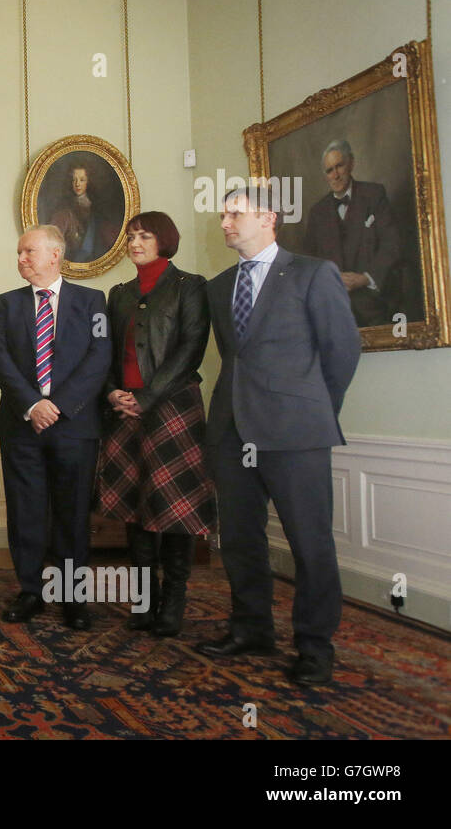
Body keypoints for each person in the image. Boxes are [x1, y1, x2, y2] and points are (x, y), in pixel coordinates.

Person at [198, 185, 361, 686]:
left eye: (235, 213)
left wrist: (311, 411)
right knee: (241, 540)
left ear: (269, 217)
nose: (225, 222)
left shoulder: (313, 273)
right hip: (232, 432)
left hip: (296, 434)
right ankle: (252, 629)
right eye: (222, 214)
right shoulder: (219, 286)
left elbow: (342, 352)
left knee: (310, 545)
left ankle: (315, 645)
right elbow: (236, 358)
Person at [97, 212, 215, 637]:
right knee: (136, 509)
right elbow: (106, 353)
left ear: (164, 239)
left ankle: (174, 599)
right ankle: (144, 601)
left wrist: (146, 397)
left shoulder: (190, 286)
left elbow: (190, 351)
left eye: (144, 235)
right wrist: (113, 392)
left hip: (172, 409)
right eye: (131, 236)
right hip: (125, 411)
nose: (135, 242)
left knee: (174, 509)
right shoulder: (119, 294)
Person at [0, 225, 110, 630]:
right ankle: (30, 592)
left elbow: (99, 358)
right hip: (22, 426)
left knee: (71, 513)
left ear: (55, 255)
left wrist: (55, 406)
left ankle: (73, 596)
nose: (21, 258)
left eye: (29, 251)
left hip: (73, 426)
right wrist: (33, 405)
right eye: (19, 252)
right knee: (25, 511)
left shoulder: (93, 302)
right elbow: (1, 360)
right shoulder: (6, 304)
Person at [301, 140, 401, 327]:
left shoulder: (374, 194)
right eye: (329, 170)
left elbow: (392, 244)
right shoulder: (317, 212)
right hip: (334, 309)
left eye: (339, 166)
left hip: (375, 304)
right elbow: (309, 261)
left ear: (351, 163)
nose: (335, 175)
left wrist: (365, 278)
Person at [48, 165, 119, 264]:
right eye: (74, 180)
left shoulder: (97, 206)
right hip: (72, 255)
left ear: (88, 182)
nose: (77, 184)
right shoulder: (64, 208)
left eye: (82, 180)